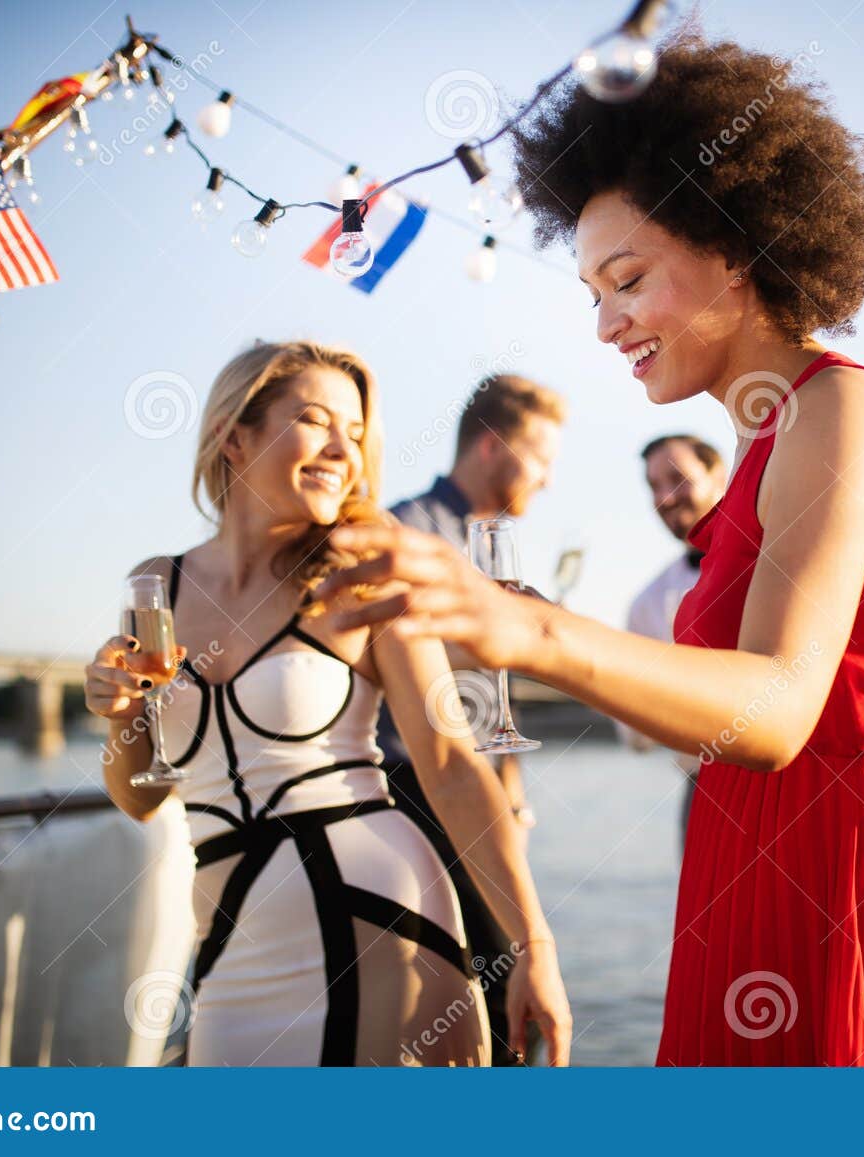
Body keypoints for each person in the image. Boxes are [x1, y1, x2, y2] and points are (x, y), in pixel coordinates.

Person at [310, 37, 864, 1066]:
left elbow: (777, 706)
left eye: (626, 279)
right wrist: (503, 624)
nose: (604, 324)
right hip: (755, 852)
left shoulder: (842, 408)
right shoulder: (758, 438)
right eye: (592, 294)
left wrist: (534, 629)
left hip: (852, 870)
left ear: (732, 247)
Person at [84, 340, 570, 1067]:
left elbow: (448, 764)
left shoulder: (369, 570)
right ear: (233, 434)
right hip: (227, 946)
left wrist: (534, 944)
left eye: (355, 431)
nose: (343, 448)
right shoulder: (156, 586)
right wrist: (121, 715)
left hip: (372, 920)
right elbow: (144, 798)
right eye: (316, 420)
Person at [375, 372, 564, 1065]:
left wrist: (511, 782)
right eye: (540, 454)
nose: (547, 477)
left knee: (512, 987)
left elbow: (489, 690)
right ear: (490, 446)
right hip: (416, 795)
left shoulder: (492, 548)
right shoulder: (406, 533)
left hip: (481, 798)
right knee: (487, 988)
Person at [616, 434, 727, 846]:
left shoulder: (777, 561)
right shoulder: (647, 603)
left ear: (719, 475)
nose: (665, 498)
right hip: (706, 796)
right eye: (653, 486)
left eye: (677, 479)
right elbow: (637, 738)